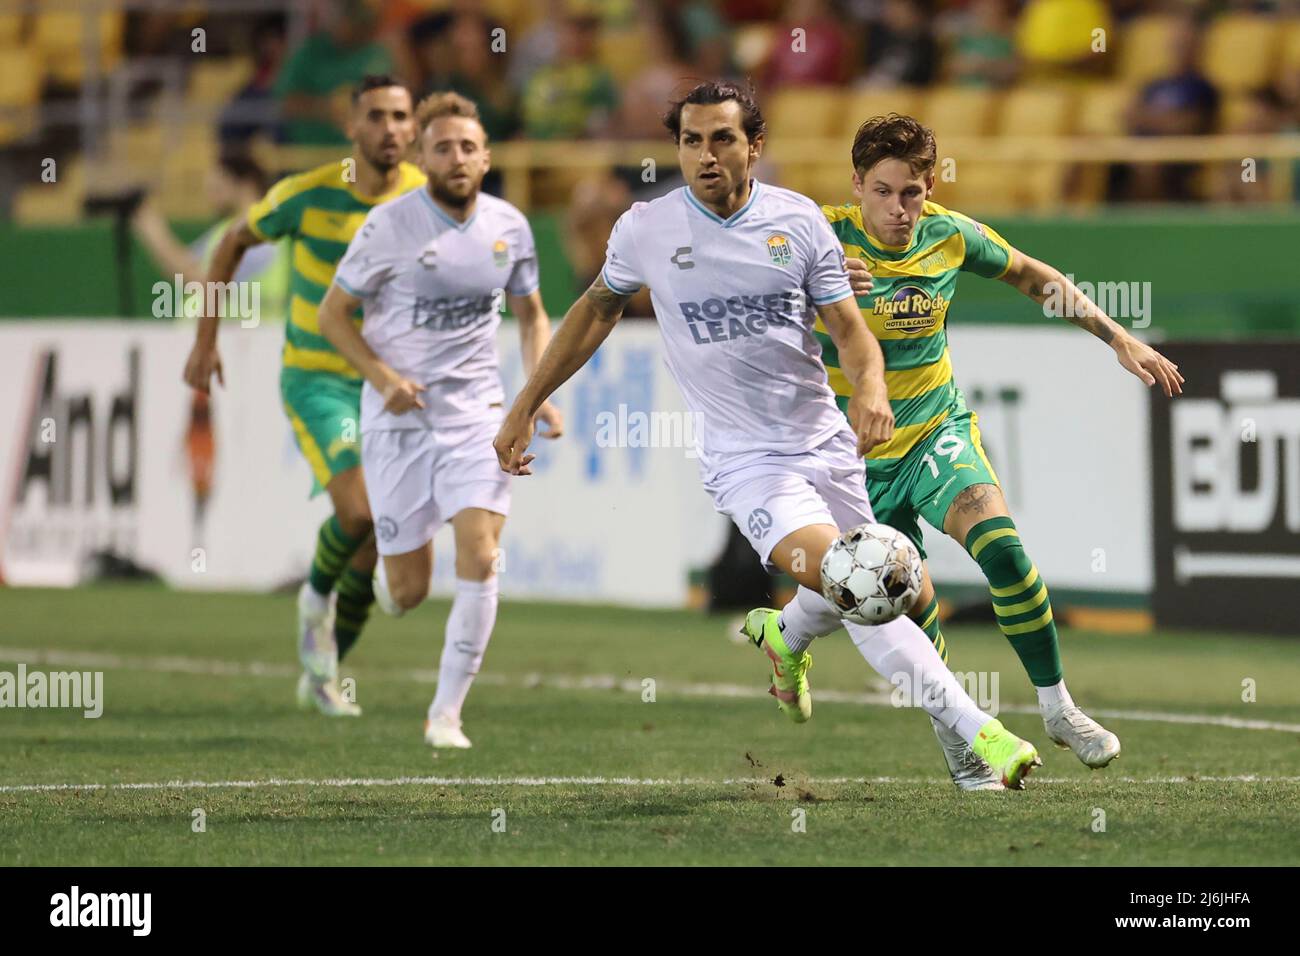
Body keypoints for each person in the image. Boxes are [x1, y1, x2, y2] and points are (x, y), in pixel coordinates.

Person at [494, 81, 1043, 790]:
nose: (705, 155)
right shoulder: (646, 229)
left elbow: (850, 328)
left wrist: (870, 386)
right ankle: (984, 740)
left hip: (826, 445)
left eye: (722, 139)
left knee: (898, 588)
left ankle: (785, 633)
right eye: (691, 141)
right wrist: (523, 403)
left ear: (755, 146)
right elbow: (596, 310)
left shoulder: (799, 222)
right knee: (864, 578)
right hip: (748, 462)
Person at [824, 113, 1183, 786]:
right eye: (882, 192)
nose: (898, 209)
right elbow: (744, 289)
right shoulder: (821, 238)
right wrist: (808, 282)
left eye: (912, 193)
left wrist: (1118, 338)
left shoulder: (950, 236)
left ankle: (1058, 708)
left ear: (929, 188)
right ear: (857, 185)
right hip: (850, 460)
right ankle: (958, 734)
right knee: (907, 607)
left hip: (935, 431)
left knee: (1004, 548)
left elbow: (1031, 275)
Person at [318, 92, 562, 750]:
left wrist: (534, 395)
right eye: (443, 147)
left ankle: (445, 714)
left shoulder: (509, 225)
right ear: (422, 157)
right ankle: (355, 585)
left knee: (481, 556)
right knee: (406, 591)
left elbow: (533, 315)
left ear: (485, 157)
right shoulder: (388, 228)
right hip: (400, 422)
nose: (457, 157)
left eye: (467, 147)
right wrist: (382, 378)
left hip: (479, 415)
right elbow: (331, 315)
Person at [182, 76, 425, 716]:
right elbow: (233, 240)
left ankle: (324, 673)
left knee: (373, 550)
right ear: (352, 127)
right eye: (376, 116)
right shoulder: (309, 194)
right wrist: (206, 344)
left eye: (401, 116)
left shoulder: (425, 198)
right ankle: (314, 597)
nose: (391, 129)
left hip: (389, 386)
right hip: (318, 379)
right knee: (359, 514)